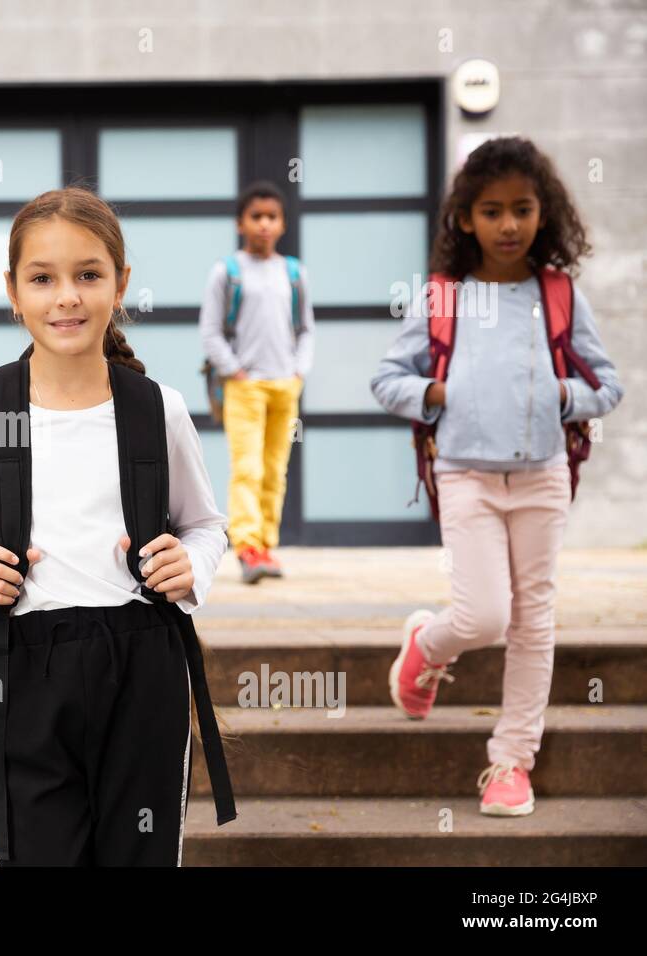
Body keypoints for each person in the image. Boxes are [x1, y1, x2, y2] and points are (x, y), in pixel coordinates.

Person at [0, 187, 231, 865]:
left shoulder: (156, 408)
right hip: (18, 667)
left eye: (89, 274)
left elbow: (205, 524)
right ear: (13, 292)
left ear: (120, 286)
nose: (67, 297)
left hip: (143, 664)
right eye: (43, 278)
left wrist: (192, 565)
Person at [371, 136, 622, 817]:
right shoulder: (444, 297)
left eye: (522, 209)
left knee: (533, 621)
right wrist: (436, 395)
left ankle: (512, 762)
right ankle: (427, 644)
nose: (508, 225)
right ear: (464, 219)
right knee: (485, 614)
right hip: (465, 476)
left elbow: (608, 384)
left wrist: (563, 395)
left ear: (546, 214)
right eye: (491, 211)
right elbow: (387, 379)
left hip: (543, 476)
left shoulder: (560, 294)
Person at [198, 181, 315, 584]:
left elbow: (306, 330)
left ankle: (267, 544)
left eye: (272, 217)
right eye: (256, 217)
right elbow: (210, 332)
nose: (264, 224)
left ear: (282, 224)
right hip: (244, 387)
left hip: (286, 385)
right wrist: (236, 370)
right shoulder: (227, 272)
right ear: (241, 223)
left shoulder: (294, 272)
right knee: (246, 468)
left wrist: (299, 369)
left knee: (274, 469)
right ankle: (247, 548)